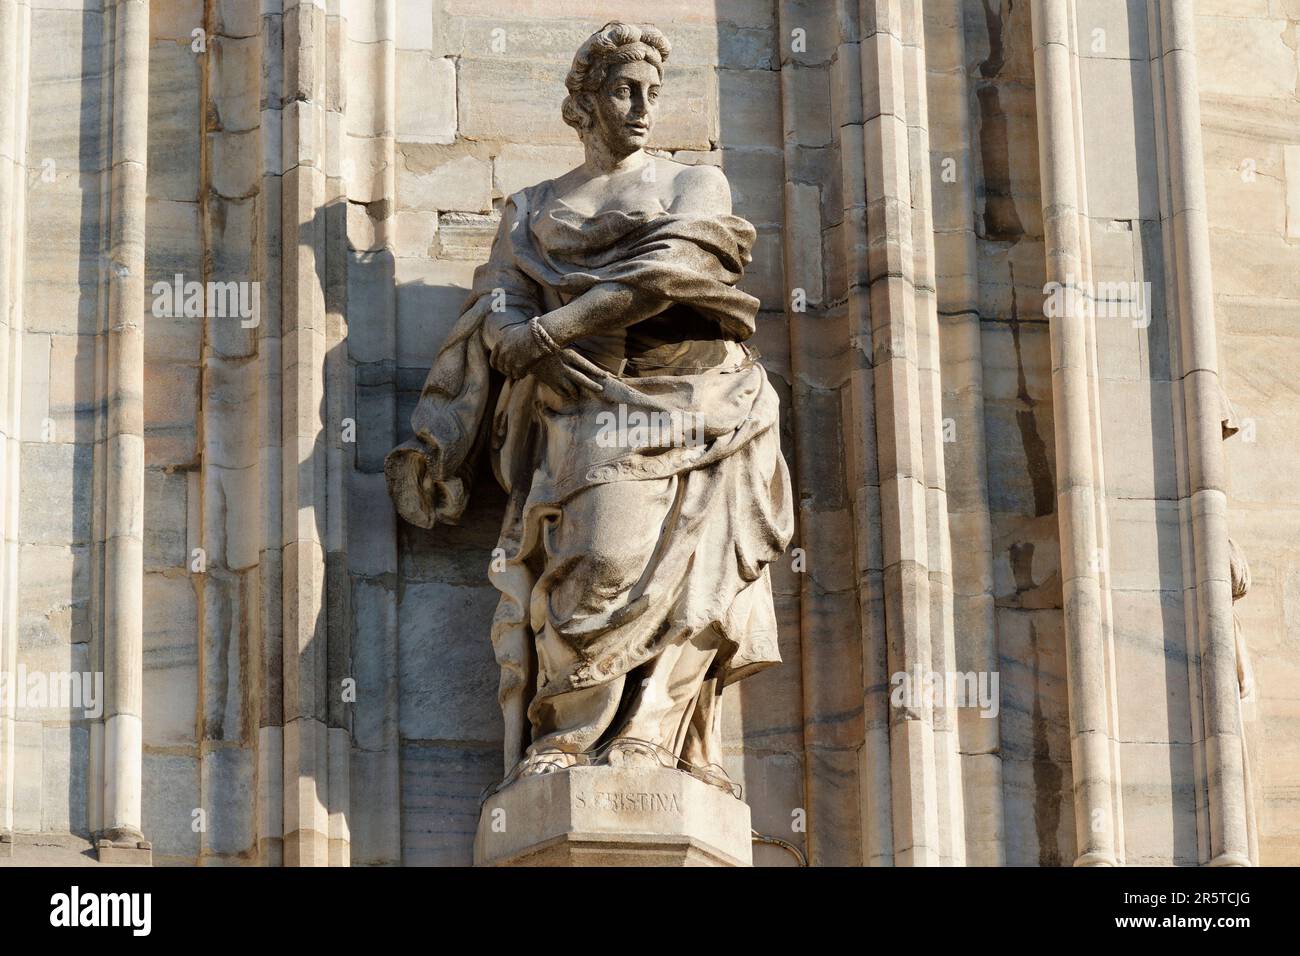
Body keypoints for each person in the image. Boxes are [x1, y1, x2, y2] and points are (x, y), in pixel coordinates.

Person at [386, 21, 793, 785]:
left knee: (690, 576)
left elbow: (668, 273)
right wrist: (508, 331)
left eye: (652, 92)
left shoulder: (690, 184)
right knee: (597, 559)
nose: (641, 107)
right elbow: (498, 293)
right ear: (586, 102)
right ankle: (569, 733)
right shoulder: (535, 204)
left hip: (698, 393)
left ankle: (651, 734)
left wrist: (544, 330)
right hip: (585, 409)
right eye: (623, 90)